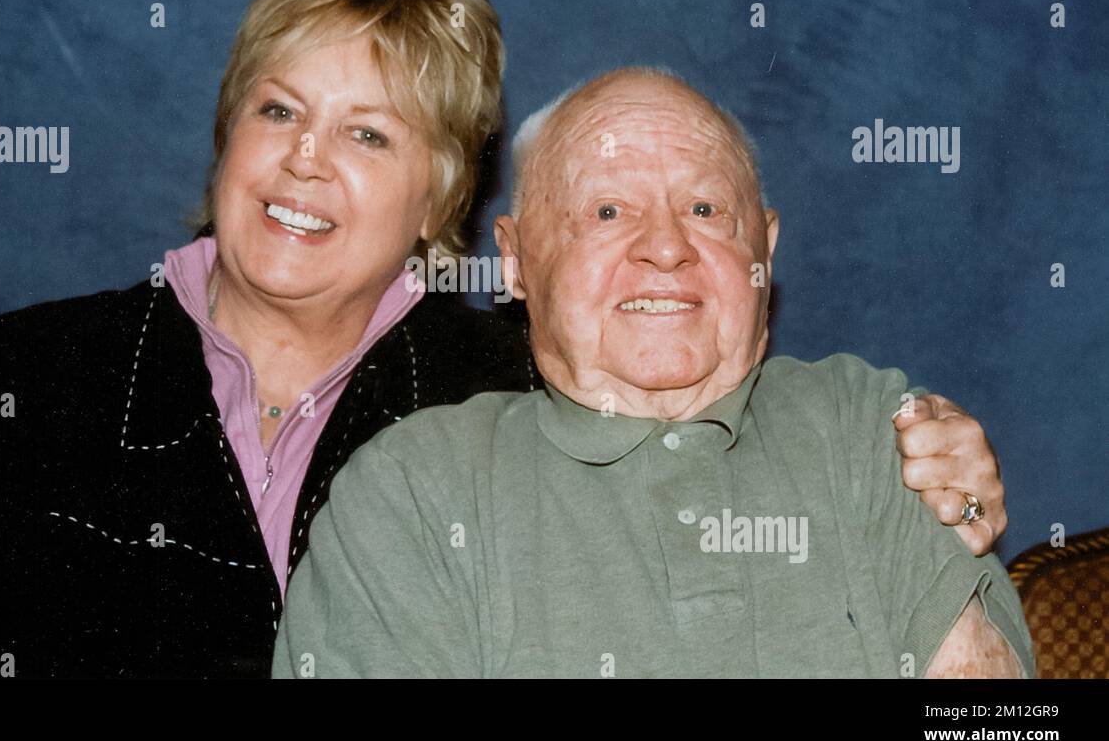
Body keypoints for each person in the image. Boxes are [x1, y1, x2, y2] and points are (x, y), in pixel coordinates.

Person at [0, 0, 1003, 679]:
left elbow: (718, 447)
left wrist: (922, 455)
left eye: (368, 134)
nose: (305, 163)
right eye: (278, 112)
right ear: (228, 135)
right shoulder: (16, 377)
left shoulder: (508, 383)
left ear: (439, 196)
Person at [272, 67, 1033, 678]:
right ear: (516, 259)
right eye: (607, 212)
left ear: (764, 251)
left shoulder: (874, 428)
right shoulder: (411, 494)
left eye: (705, 208)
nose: (666, 247)